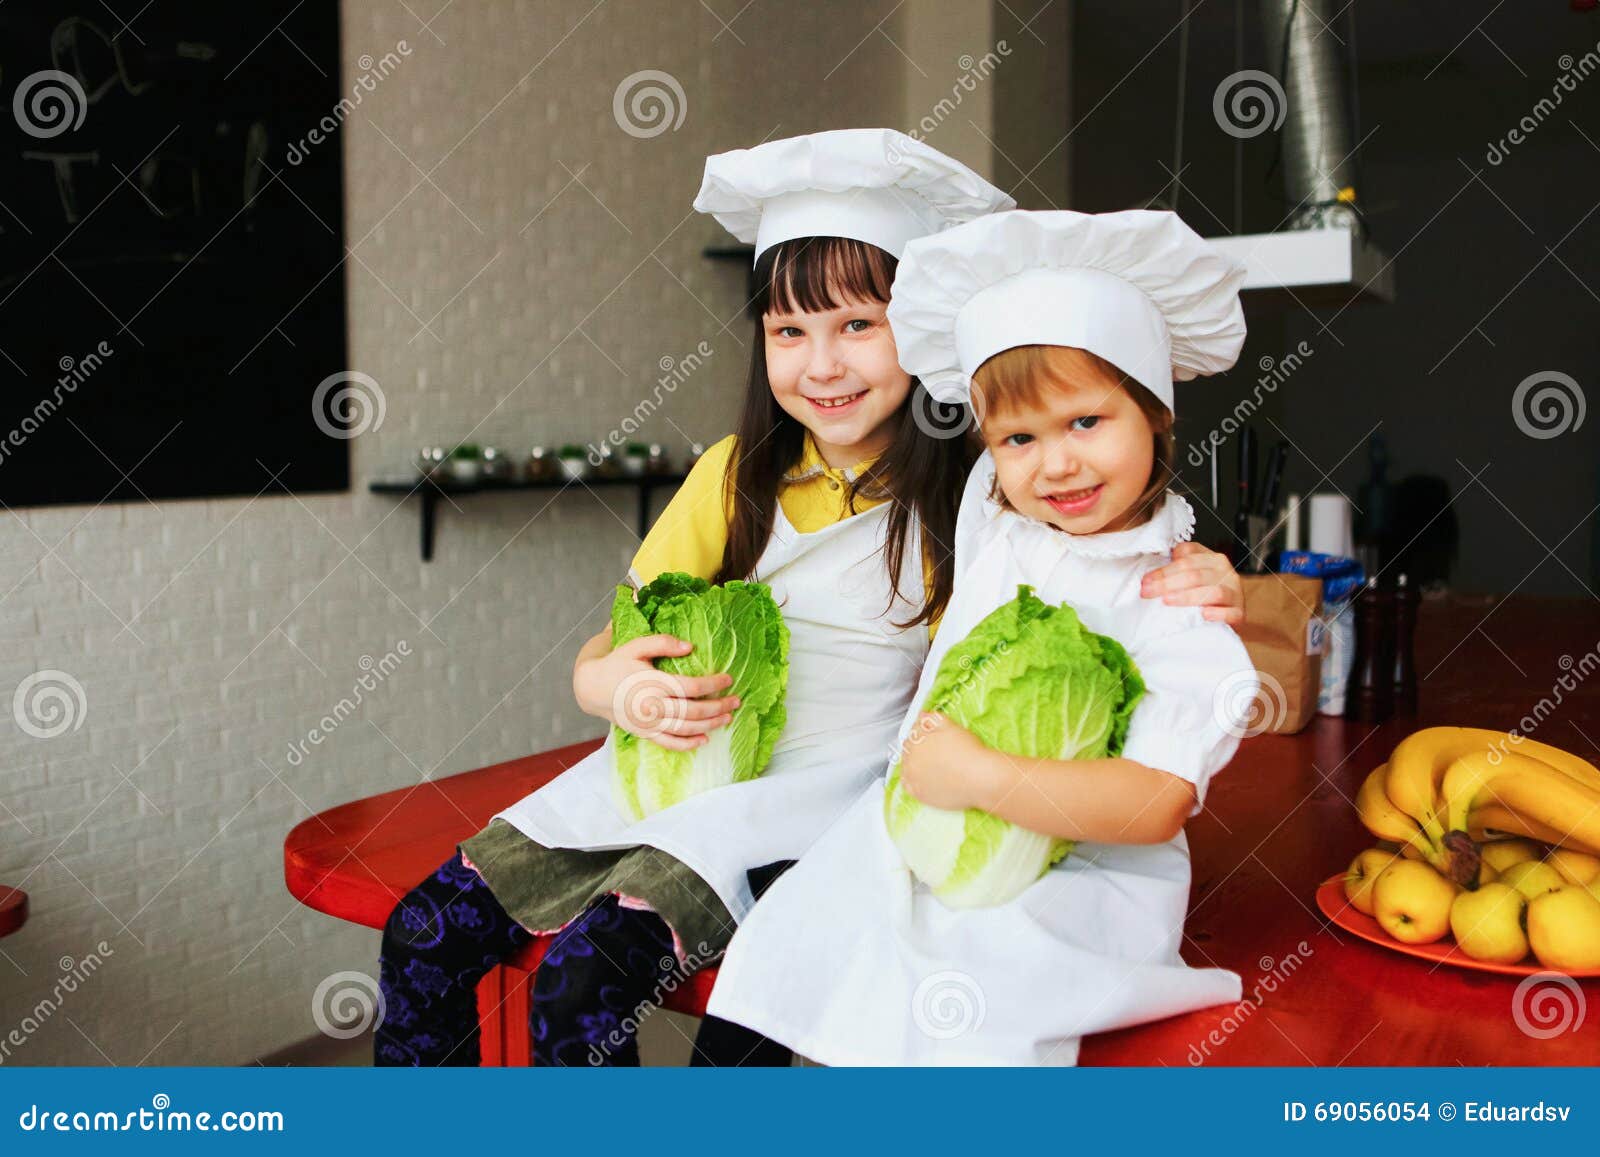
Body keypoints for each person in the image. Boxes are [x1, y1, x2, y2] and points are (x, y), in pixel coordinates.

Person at [373, 138, 1246, 1067]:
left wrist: (1232, 581)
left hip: (823, 797)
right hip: (676, 762)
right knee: (421, 932)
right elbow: (618, 640)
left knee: (585, 983)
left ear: (920, 327)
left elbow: (1111, 540)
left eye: (858, 325)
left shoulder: (983, 490)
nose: (821, 364)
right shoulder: (733, 475)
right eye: (789, 331)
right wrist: (606, 685)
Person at [704, 208, 1262, 1065]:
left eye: (1087, 422)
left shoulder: (1176, 600)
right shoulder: (994, 512)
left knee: (952, 1019)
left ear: (1157, 417)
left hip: (1069, 882)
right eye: (1018, 438)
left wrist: (983, 776)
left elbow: (1156, 804)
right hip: (916, 829)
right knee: (774, 967)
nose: (1057, 464)